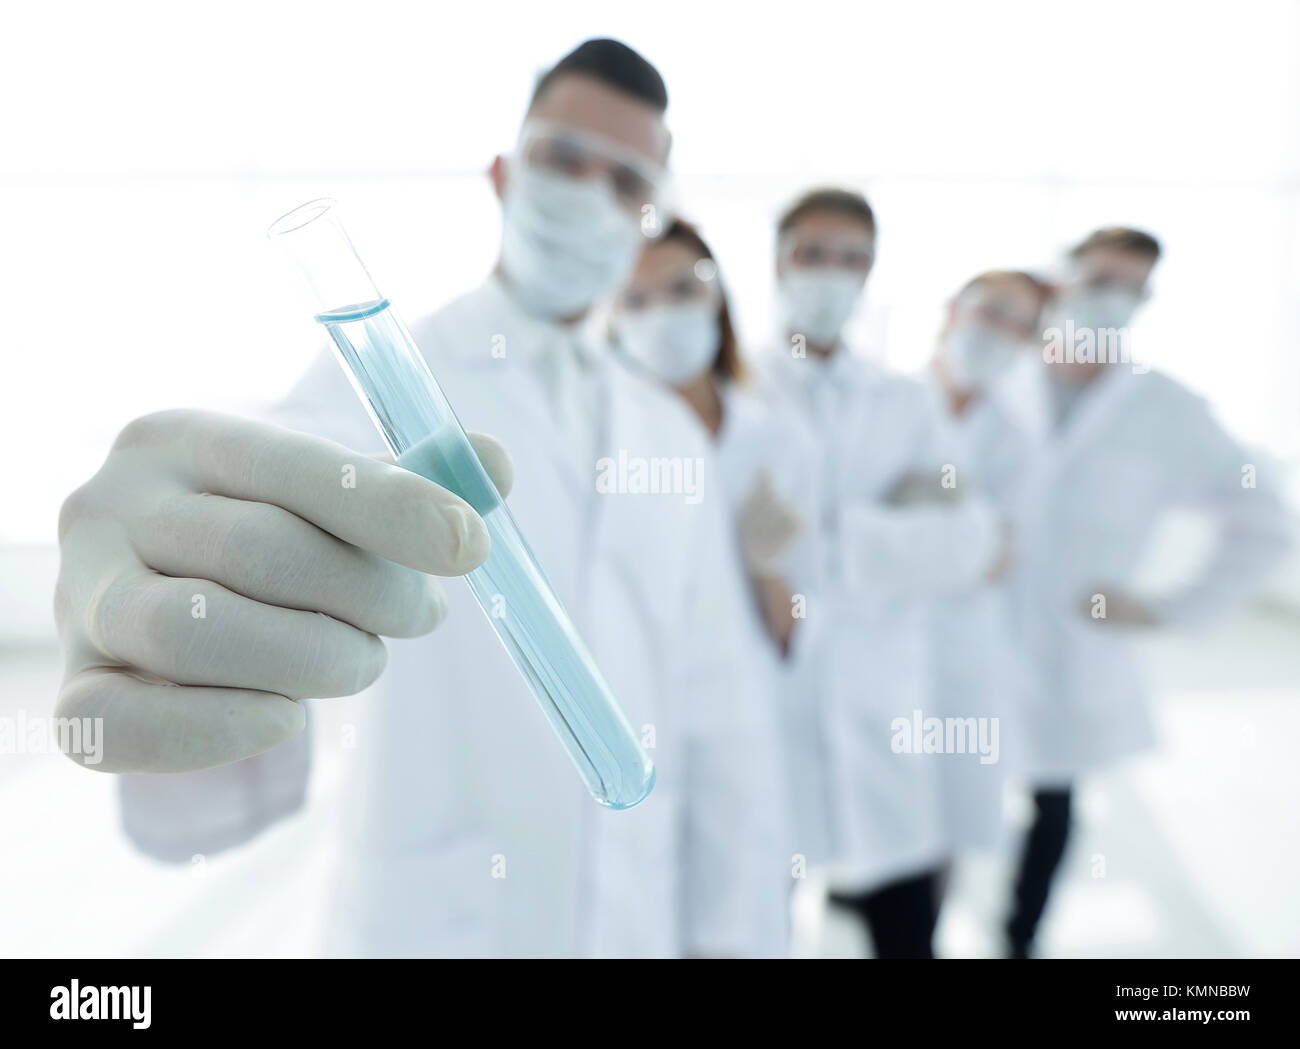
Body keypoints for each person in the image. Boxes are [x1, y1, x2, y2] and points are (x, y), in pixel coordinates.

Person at [55, 39, 774, 958]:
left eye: (626, 178)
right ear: (505, 173)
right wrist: (176, 557)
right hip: (440, 925)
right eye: (564, 159)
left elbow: (724, 722)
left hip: (641, 922)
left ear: (654, 211)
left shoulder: (672, 437)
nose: (592, 194)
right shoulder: (377, 382)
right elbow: (290, 474)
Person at [1003, 227, 1293, 957]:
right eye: (1098, 280)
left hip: (1076, 648)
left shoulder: (1166, 408)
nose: (1111, 302)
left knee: (1053, 800)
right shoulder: (993, 376)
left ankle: (1018, 935)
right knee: (936, 790)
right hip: (967, 635)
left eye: (1131, 288)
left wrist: (1167, 609)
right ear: (1060, 279)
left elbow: (1266, 520)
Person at [762, 188, 1004, 958]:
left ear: (870, 273)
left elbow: (973, 542)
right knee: (754, 919)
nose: (831, 275)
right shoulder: (735, 391)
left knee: (906, 929)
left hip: (882, 696)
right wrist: (896, 534)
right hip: (768, 700)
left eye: (851, 259)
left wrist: (825, 542)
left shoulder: (907, 401)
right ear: (778, 263)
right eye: (812, 254)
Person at [610, 218, 824, 953]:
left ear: (718, 296)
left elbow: (803, 629)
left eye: (680, 288)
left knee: (739, 911)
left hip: (741, 709)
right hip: (630, 706)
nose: (663, 313)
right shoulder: (606, 437)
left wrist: (767, 567)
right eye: (634, 299)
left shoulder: (775, 437)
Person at [924, 270, 1053, 880]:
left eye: (1022, 327)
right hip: (861, 637)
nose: (1003, 333)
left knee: (945, 814)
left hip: (959, 651)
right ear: (952, 308)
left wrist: (918, 527)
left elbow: (1001, 558)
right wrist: (961, 533)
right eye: (993, 311)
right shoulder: (884, 399)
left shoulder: (1017, 440)